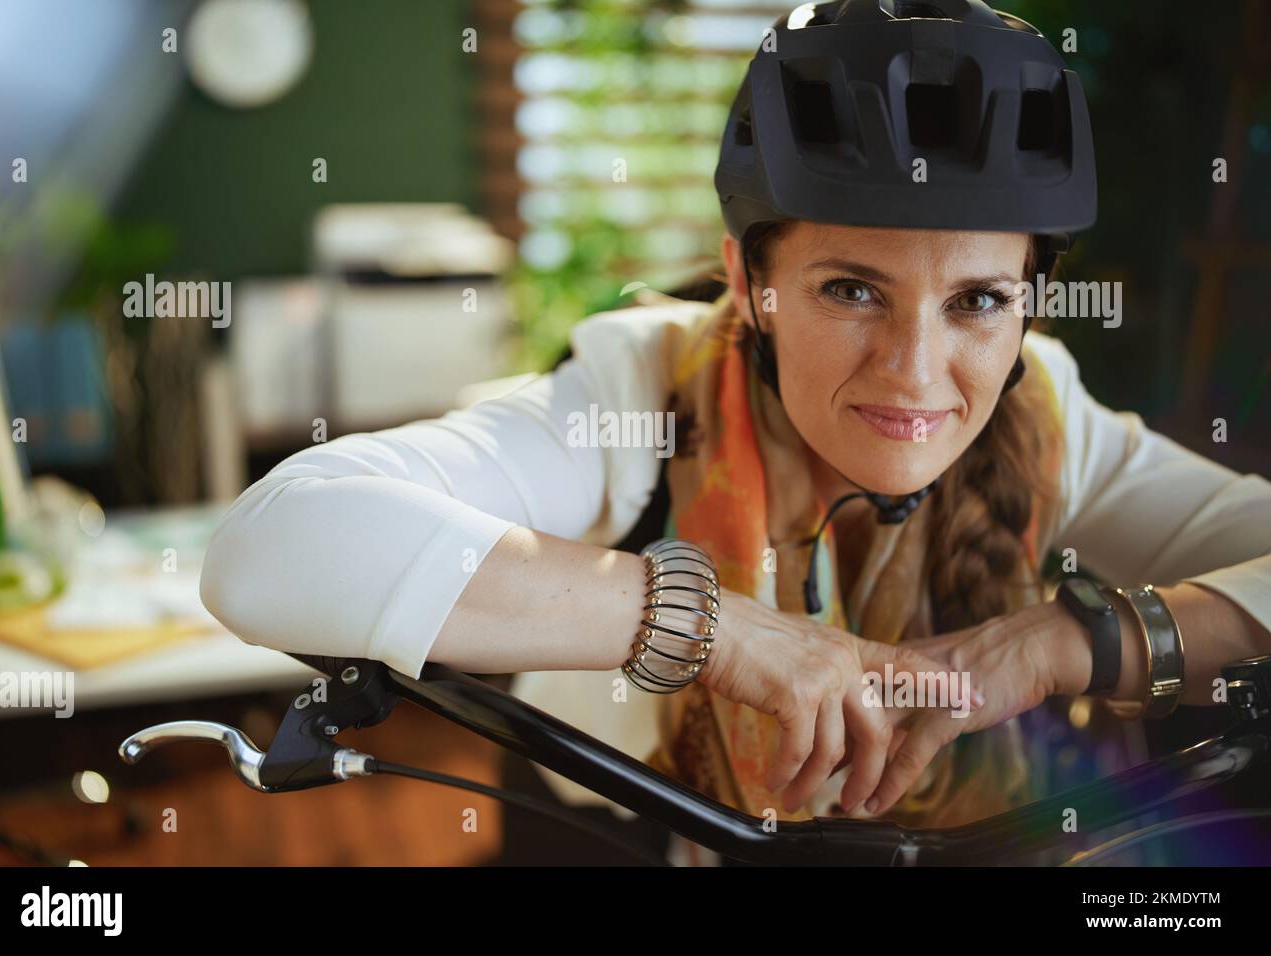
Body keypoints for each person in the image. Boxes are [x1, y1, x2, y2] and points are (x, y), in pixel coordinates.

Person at [199, 0, 1271, 850]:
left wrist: (1070, 640)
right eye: (849, 289)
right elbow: (271, 542)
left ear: (1029, 302)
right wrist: (722, 632)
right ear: (748, 281)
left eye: (979, 300)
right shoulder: (639, 391)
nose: (913, 370)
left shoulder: (1046, 412)